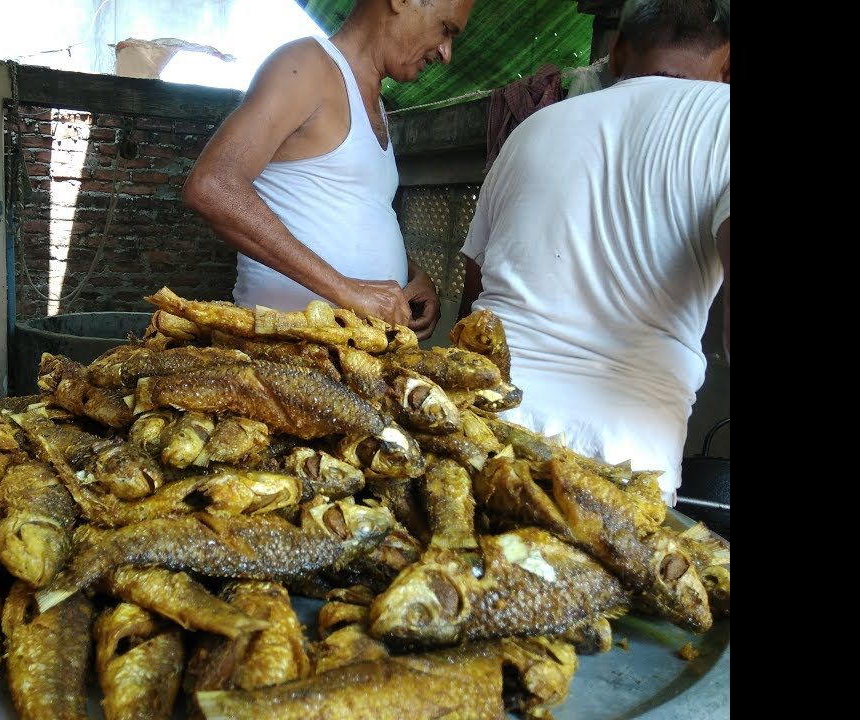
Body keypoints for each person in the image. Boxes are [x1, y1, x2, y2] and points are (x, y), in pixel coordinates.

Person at [457, 0, 730, 506]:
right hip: (621, 473)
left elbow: (471, 305)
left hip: (480, 434)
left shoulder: (533, 128)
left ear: (616, 54)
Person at [182, 0, 479, 341]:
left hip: (350, 353)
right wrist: (346, 291)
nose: (446, 53)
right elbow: (212, 185)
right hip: (286, 352)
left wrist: (413, 274)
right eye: (446, 29)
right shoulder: (306, 66)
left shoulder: (377, 104)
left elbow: (337, 217)